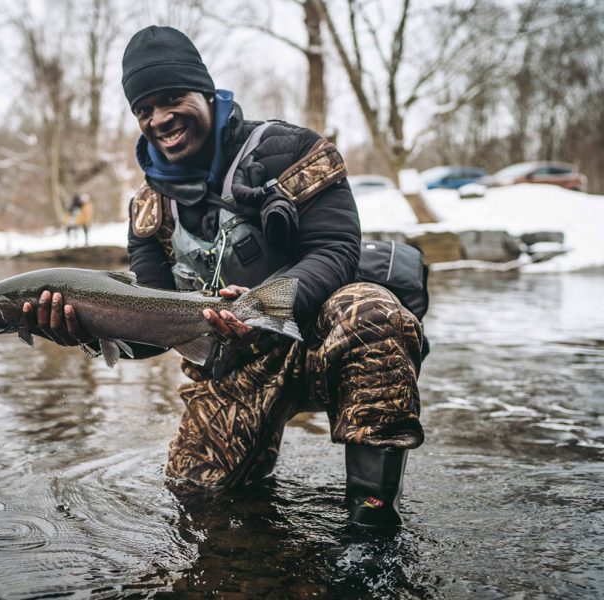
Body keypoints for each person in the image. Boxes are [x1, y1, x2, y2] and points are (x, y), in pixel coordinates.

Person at [22, 26, 425, 531]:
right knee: (196, 499)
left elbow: (336, 250)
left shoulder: (293, 151)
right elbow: (155, 325)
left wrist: (260, 308)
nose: (159, 118)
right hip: (233, 363)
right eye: (144, 109)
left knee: (372, 312)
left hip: (321, 338)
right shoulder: (148, 210)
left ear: (207, 93)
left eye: (172, 99)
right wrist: (86, 329)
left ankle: (371, 525)